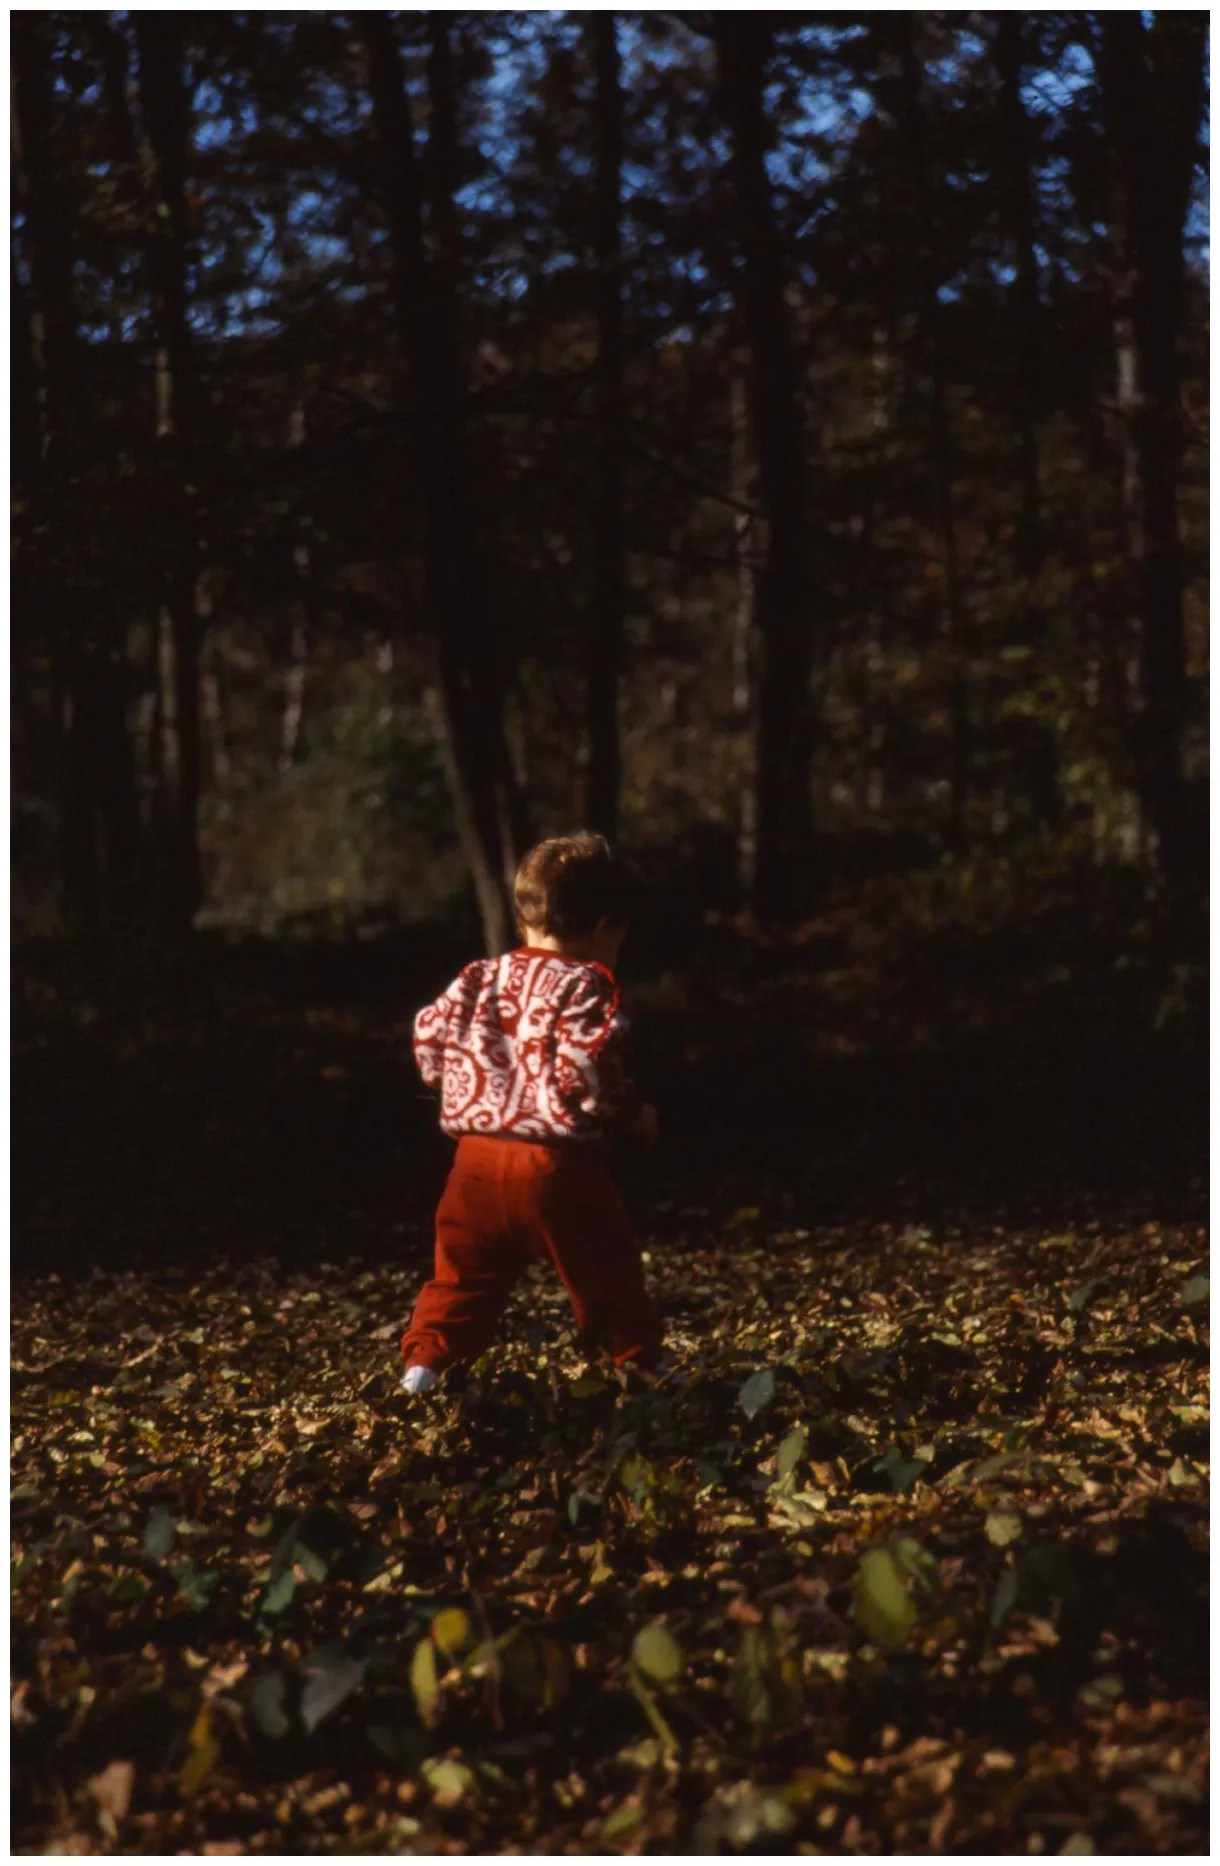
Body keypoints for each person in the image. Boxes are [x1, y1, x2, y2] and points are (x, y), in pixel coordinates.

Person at [399, 833, 664, 1395]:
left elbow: (429, 1035)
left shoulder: (478, 976)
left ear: (524, 920)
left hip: (473, 1165)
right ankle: (639, 1365)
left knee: (461, 1279)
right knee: (606, 1270)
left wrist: (463, 1087)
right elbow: (587, 1070)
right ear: (604, 928)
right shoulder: (587, 983)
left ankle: (423, 1370)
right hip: (556, 1168)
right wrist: (635, 1115)